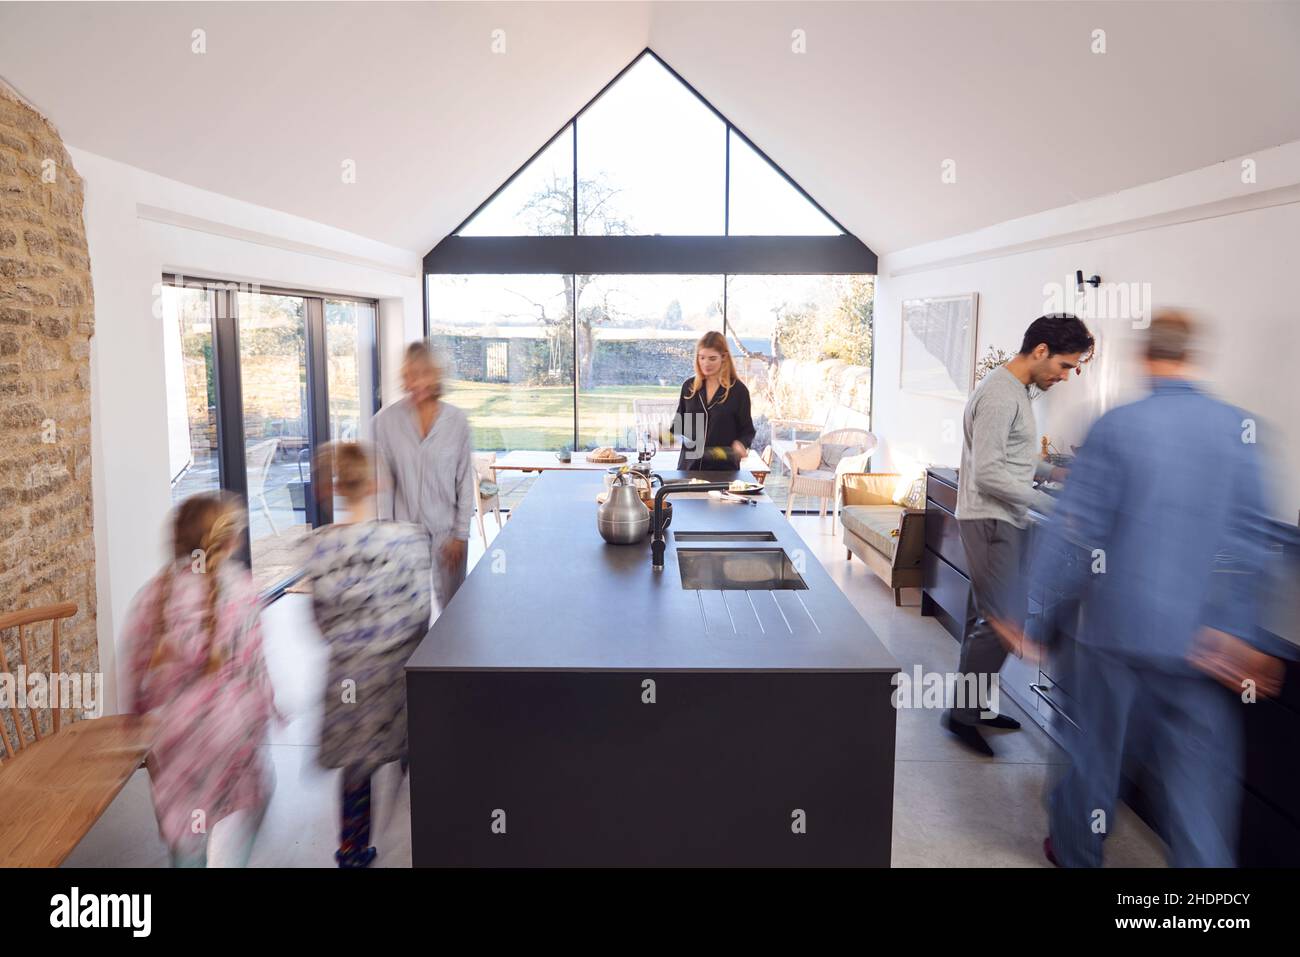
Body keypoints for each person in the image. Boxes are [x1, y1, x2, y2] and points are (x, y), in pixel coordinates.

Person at [996, 311, 1283, 866]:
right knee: (1200, 801)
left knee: (1093, 760)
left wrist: (1031, 616)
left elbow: (1074, 532)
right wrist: (1239, 632)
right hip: (1204, 648)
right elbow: (1256, 540)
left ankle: (1075, 853)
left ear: (1146, 358)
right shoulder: (1240, 429)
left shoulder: (1120, 427)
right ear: (1192, 357)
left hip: (1115, 640)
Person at [943, 313, 1094, 756]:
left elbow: (1012, 458)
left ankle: (974, 707)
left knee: (984, 618)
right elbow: (989, 474)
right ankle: (961, 716)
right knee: (1000, 621)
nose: (1065, 377)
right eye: (1065, 366)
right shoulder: (1000, 394)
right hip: (990, 518)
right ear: (1041, 350)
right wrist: (1052, 504)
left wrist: (1054, 471)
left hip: (1001, 518)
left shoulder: (1016, 391)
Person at [121, 492, 277, 868]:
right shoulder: (241, 590)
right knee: (258, 800)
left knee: (188, 828)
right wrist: (268, 710)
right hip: (230, 733)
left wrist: (134, 716)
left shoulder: (153, 596)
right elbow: (255, 666)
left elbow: (135, 665)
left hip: (177, 738)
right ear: (231, 541)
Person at [304, 442, 433, 868]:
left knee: (356, 770)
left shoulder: (319, 548)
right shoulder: (408, 540)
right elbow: (420, 613)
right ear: (379, 484)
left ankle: (352, 850)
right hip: (395, 677)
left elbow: (319, 620)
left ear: (332, 490)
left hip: (347, 681)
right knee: (408, 752)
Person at [373, 340, 475, 612]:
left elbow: (465, 482)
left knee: (454, 616)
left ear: (434, 375)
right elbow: (382, 486)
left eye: (420, 375)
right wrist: (386, 536)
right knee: (407, 613)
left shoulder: (457, 422)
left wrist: (460, 535)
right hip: (403, 536)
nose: (413, 383)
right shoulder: (384, 423)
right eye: (407, 376)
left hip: (447, 534)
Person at [672, 331, 757, 472]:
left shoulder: (738, 391)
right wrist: (665, 436)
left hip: (723, 471)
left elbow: (747, 431)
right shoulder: (689, 387)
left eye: (712, 358)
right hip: (688, 469)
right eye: (702, 358)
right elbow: (679, 426)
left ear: (723, 357)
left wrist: (741, 444)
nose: (706, 363)